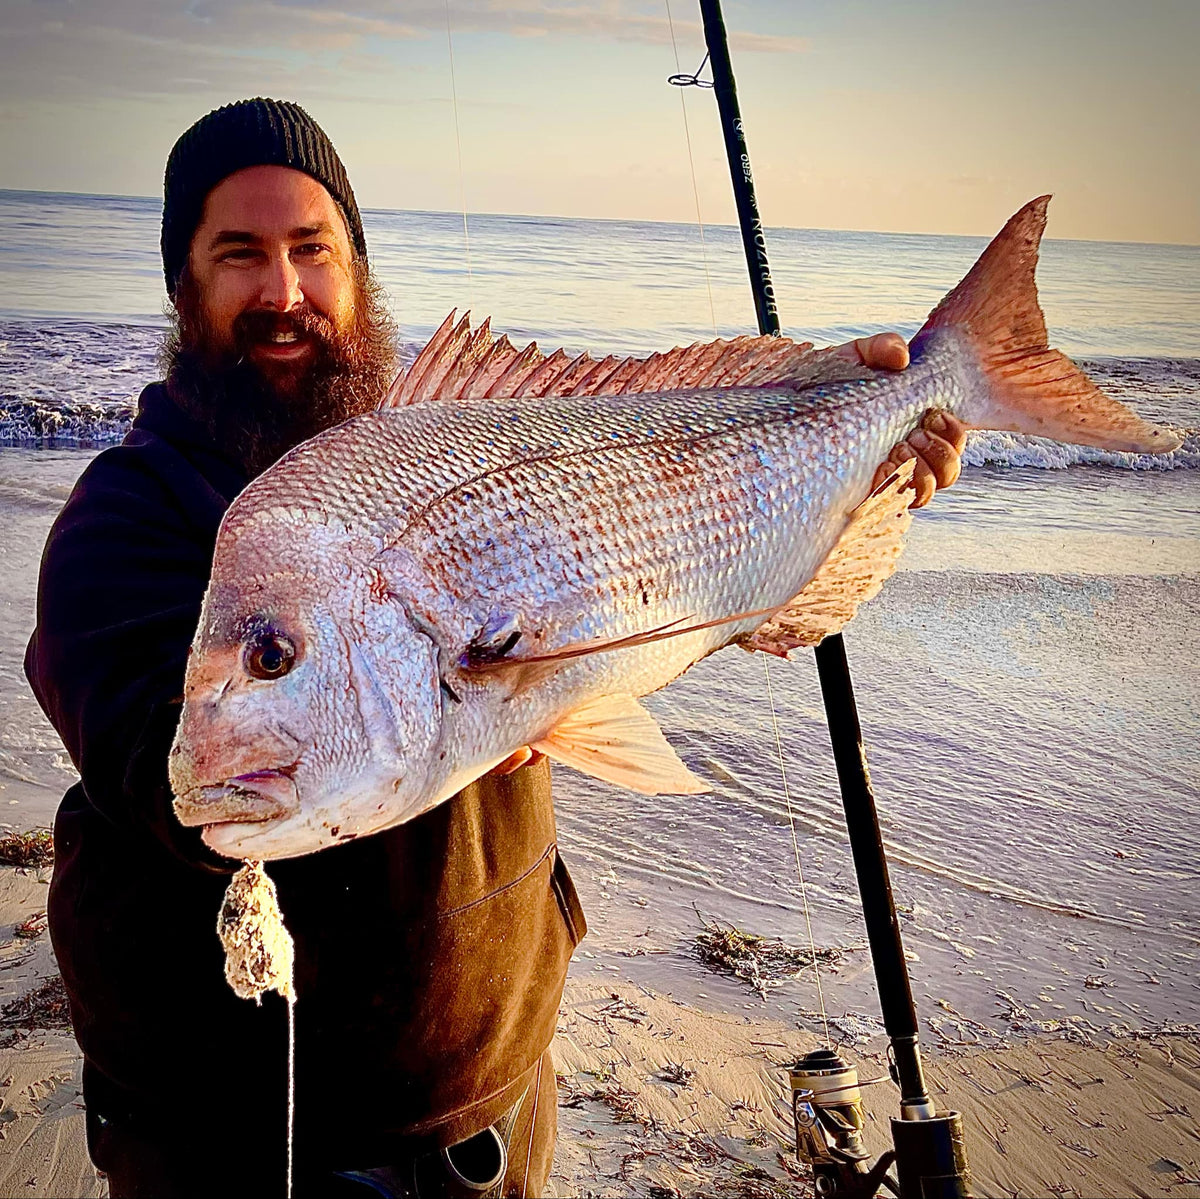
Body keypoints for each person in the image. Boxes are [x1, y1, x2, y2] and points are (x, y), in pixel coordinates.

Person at [24, 98, 966, 1199]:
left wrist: (851, 461)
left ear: (356, 272)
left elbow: (665, 580)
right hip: (221, 1137)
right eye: (239, 254)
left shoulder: (455, 442)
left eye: (312, 249)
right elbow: (168, 776)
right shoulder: (118, 519)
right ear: (183, 284)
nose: (283, 291)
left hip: (492, 1089)